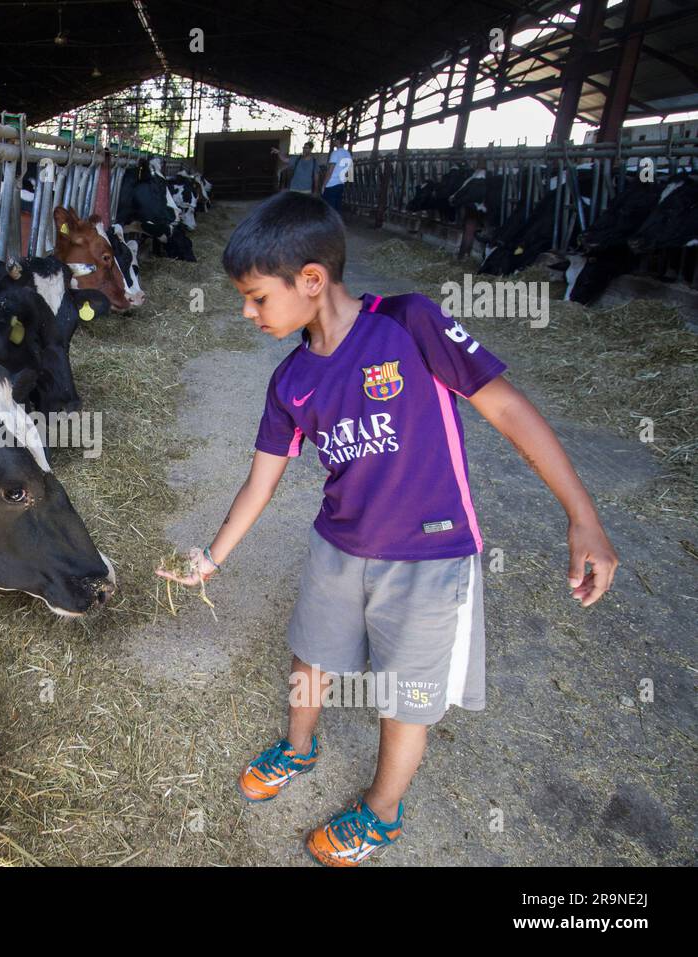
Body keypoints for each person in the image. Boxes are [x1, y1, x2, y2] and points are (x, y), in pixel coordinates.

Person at [155, 191, 618, 867]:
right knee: (309, 655)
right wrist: (212, 558)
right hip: (339, 547)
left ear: (311, 280)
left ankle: (382, 810)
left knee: (407, 698)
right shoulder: (291, 381)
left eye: (256, 296)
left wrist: (583, 516)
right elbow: (263, 479)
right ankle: (300, 745)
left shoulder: (410, 323)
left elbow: (509, 408)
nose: (247, 312)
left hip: (432, 558)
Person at [318, 132, 353, 211]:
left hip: (331, 184)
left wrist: (323, 185)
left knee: (328, 210)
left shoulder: (335, 153)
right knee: (337, 209)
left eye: (335, 139)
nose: (333, 141)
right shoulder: (348, 154)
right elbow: (348, 172)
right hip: (340, 184)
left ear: (338, 140)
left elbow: (330, 171)